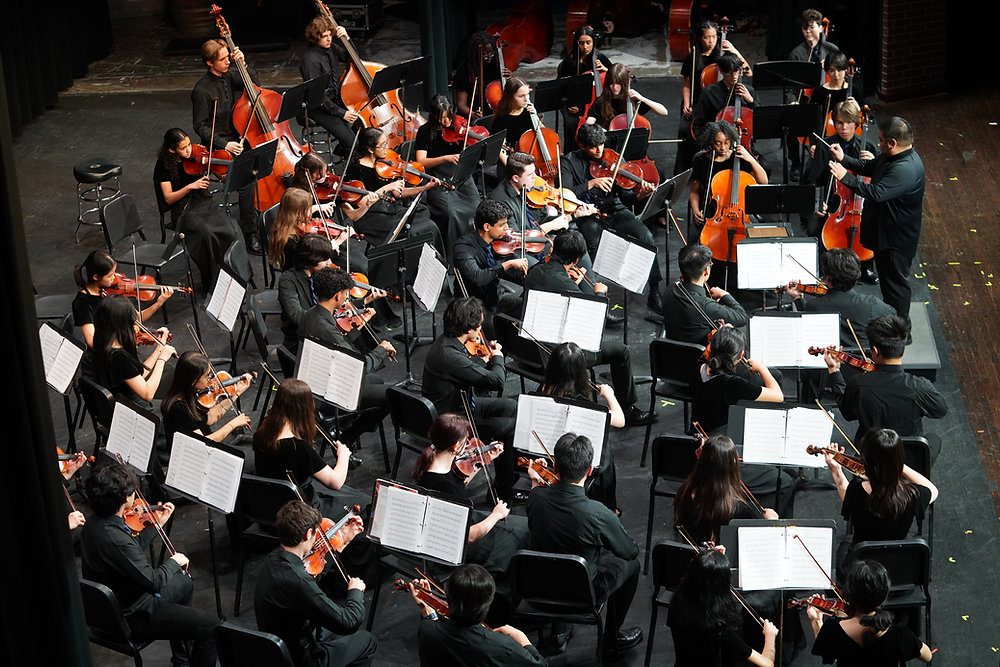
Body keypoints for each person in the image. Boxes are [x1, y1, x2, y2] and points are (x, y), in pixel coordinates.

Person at [81, 461, 219, 667]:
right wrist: (174, 561)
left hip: (113, 605)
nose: (135, 494)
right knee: (212, 628)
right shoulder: (113, 538)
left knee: (184, 583)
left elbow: (130, 549)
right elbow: (153, 582)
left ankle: (181, 661)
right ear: (124, 498)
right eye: (132, 491)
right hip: (134, 615)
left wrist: (158, 523)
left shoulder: (96, 523)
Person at [525, 432, 642, 655]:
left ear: (554, 466)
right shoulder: (598, 513)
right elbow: (629, 551)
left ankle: (559, 632)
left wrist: (534, 480)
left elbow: (537, 495)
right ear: (589, 471)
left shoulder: (535, 498)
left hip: (539, 587)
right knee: (632, 565)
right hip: (581, 593)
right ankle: (612, 639)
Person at [522, 230, 654, 426]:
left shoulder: (534, 272)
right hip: (562, 356)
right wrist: (599, 294)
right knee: (620, 351)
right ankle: (626, 409)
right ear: (576, 259)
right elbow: (593, 321)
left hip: (531, 348)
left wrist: (574, 284)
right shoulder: (567, 284)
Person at [254, 499, 377, 667]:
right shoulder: (297, 582)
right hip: (302, 661)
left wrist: (343, 542)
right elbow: (348, 622)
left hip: (274, 651)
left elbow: (313, 571)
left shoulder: (273, 560)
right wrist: (355, 593)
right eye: (317, 533)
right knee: (367, 641)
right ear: (307, 534)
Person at [690, 326, 796, 516]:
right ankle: (774, 525)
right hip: (723, 455)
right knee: (785, 482)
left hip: (704, 439)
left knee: (784, 472)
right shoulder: (732, 384)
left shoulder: (698, 369)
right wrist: (762, 368)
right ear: (741, 355)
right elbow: (777, 395)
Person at [421, 297, 517, 502]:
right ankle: (502, 490)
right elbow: (497, 381)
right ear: (468, 328)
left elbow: (468, 367)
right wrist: (497, 356)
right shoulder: (449, 356)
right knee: (508, 428)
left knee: (511, 406)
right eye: (479, 326)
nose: (481, 329)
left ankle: (509, 467)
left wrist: (482, 360)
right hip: (452, 421)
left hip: (463, 404)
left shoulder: (451, 342)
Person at [828, 116, 925, 321]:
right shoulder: (892, 157)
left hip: (895, 240)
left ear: (893, 143)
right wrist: (844, 158)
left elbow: (876, 192)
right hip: (886, 232)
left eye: (881, 140)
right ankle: (892, 320)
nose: (878, 143)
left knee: (895, 287)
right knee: (889, 285)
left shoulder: (905, 169)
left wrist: (845, 177)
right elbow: (870, 168)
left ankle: (900, 328)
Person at [560, 122, 663, 312]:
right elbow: (565, 193)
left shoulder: (612, 158)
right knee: (594, 243)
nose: (599, 150)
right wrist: (591, 184)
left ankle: (654, 290)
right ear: (582, 145)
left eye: (601, 144)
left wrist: (640, 195)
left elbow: (625, 196)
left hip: (614, 209)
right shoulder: (569, 162)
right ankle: (596, 299)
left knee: (646, 237)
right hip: (588, 213)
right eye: (593, 147)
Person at [411, 414, 529, 577]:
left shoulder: (434, 463)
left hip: (462, 518)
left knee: (521, 527)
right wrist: (496, 515)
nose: (469, 445)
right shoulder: (442, 485)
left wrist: (484, 460)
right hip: (456, 545)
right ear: (455, 446)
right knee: (516, 538)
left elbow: (459, 483)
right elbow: (468, 536)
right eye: (466, 441)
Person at [823, 314, 947, 456]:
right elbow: (941, 410)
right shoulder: (920, 387)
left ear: (875, 351)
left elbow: (848, 413)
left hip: (871, 454)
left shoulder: (858, 384)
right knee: (933, 439)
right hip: (906, 457)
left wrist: (834, 370)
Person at [300, 266, 393, 436]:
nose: (346, 297)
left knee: (377, 380)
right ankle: (348, 437)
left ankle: (349, 422)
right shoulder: (327, 329)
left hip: (316, 380)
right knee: (389, 395)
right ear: (337, 296)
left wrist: (359, 325)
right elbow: (359, 367)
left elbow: (339, 344)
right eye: (345, 293)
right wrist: (381, 351)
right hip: (328, 393)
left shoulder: (309, 315)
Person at [154, 127, 250, 291]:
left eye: (189, 144)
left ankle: (235, 273)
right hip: (182, 208)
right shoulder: (163, 166)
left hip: (203, 201)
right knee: (207, 233)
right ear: (172, 150)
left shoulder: (198, 155)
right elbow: (169, 197)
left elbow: (224, 177)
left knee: (230, 227)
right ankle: (212, 281)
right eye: (183, 148)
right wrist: (191, 186)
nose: (189, 150)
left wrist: (237, 170)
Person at [253, 378, 368, 513]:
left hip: (272, 509)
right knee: (365, 504)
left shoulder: (262, 432)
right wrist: (343, 456)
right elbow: (335, 482)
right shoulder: (299, 447)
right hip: (303, 513)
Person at [190, 38, 261, 253]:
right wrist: (225, 143)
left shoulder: (229, 75)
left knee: (262, 162)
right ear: (209, 63)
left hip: (240, 137)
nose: (227, 62)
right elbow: (200, 126)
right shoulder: (201, 91)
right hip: (219, 146)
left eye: (228, 57)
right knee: (248, 179)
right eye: (223, 59)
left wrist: (243, 64)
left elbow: (255, 86)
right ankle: (250, 233)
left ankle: (262, 213)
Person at [537, 341, 623, 511]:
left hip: (546, 449)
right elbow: (620, 420)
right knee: (606, 455)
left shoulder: (544, 388)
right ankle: (607, 506)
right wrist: (610, 395)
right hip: (571, 457)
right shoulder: (582, 403)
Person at [410, 564, 546, 666]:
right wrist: (522, 639)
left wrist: (426, 611)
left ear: (448, 597)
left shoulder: (427, 629)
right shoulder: (503, 647)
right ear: (488, 602)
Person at [821, 428, 937, 548]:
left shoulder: (856, 489)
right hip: (897, 558)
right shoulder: (913, 495)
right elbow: (933, 490)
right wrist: (897, 464)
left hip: (861, 561)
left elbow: (847, 499)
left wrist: (836, 470)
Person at [488, 150, 599, 272]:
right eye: (530, 174)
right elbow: (517, 238)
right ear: (515, 178)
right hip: (516, 252)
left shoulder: (525, 189)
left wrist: (573, 215)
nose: (535, 178)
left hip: (535, 241)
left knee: (577, 250)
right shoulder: (501, 202)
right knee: (551, 272)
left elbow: (537, 221)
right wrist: (551, 226)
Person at [667, 547, 778, 666]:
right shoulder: (720, 629)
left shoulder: (677, 600)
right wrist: (770, 636)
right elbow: (767, 664)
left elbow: (699, 573)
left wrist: (713, 559)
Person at [808, 559, 933, 664]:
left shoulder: (832, 630)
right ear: (884, 596)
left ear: (848, 594)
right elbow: (927, 656)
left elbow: (830, 657)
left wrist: (816, 620)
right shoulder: (900, 635)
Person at [343, 127, 444, 253]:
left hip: (391, 209)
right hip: (370, 217)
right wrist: (386, 188)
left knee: (430, 226)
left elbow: (398, 193)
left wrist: (423, 188)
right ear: (370, 149)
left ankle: (436, 266)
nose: (387, 148)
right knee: (412, 233)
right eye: (383, 145)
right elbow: (361, 204)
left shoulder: (385, 163)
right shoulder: (355, 170)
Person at [800, 100, 878, 252]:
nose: (844, 128)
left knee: (875, 231)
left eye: (848, 122)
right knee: (813, 228)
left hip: (861, 205)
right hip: (834, 205)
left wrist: (875, 165)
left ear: (856, 123)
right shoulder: (825, 145)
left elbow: (882, 181)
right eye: (840, 123)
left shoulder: (868, 146)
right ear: (834, 124)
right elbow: (814, 179)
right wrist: (819, 203)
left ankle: (866, 266)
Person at [675, 20, 752, 173]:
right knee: (685, 129)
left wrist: (735, 50)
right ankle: (688, 169)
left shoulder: (723, 55)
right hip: (697, 101)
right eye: (707, 37)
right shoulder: (693, 56)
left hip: (719, 102)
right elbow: (686, 84)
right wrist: (686, 104)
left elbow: (748, 72)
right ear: (700, 37)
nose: (711, 41)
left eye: (714, 37)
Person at [673, 435, 778, 544]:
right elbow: (760, 541)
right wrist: (771, 522)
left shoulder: (685, 490)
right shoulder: (739, 509)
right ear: (732, 464)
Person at [413, 94, 481, 255]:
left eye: (449, 117)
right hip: (437, 177)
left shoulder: (458, 124)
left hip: (461, 175)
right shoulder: (425, 131)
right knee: (451, 213)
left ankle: (475, 248)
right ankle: (453, 252)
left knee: (476, 206)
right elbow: (421, 161)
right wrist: (445, 158)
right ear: (434, 115)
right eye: (442, 118)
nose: (447, 122)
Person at [786, 248, 894, 348]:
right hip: (863, 361)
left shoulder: (813, 306)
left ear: (827, 279)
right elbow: (893, 314)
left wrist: (798, 297)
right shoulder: (872, 303)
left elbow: (806, 317)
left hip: (828, 361)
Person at [452, 199, 530, 337]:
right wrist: (507, 265)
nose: (507, 229)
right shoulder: (463, 248)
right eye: (502, 225)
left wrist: (533, 273)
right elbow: (478, 278)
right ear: (487, 227)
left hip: (495, 295)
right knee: (503, 334)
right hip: (474, 305)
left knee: (528, 310)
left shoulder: (498, 244)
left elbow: (511, 273)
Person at [73, 250, 173, 349]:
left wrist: (159, 302)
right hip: (107, 353)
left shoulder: (109, 291)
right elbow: (92, 342)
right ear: (96, 277)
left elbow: (137, 318)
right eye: (110, 276)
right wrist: (126, 337)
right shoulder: (83, 303)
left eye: (114, 273)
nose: (114, 278)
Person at [786, 8, 840, 182]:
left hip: (829, 99)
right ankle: (795, 161)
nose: (807, 32)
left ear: (821, 28)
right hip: (805, 99)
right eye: (804, 28)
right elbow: (790, 86)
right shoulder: (796, 54)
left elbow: (841, 77)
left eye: (811, 27)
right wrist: (793, 101)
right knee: (791, 121)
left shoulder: (831, 50)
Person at [160, 350, 252, 450]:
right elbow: (203, 443)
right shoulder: (179, 408)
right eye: (207, 375)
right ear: (194, 381)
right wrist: (233, 424)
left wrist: (237, 392)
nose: (210, 379)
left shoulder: (191, 393)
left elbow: (208, 419)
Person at [92, 295, 176, 404]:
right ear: (123, 324)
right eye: (133, 322)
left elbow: (137, 374)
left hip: (120, 397)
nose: (136, 326)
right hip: (132, 409)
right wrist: (162, 360)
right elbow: (147, 394)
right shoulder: (119, 358)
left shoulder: (101, 342)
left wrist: (159, 349)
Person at [662, 242, 749, 345]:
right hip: (699, 357)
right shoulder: (706, 306)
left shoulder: (669, 289)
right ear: (706, 271)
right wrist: (725, 294)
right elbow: (742, 317)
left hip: (670, 352)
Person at [299, 17, 358, 155]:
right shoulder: (310, 61)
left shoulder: (331, 48)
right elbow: (317, 95)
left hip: (334, 100)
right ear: (315, 37)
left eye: (330, 35)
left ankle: (342, 150)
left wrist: (347, 39)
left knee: (362, 127)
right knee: (352, 142)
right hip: (319, 107)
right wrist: (341, 113)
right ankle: (350, 165)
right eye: (324, 36)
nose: (329, 39)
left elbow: (351, 57)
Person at [278, 233, 335, 355]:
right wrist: (326, 325)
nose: (329, 262)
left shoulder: (320, 274)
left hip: (320, 330)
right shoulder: (287, 280)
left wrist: (363, 301)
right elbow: (297, 315)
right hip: (300, 339)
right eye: (325, 259)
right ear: (313, 259)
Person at [557, 25, 612, 150]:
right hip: (573, 103)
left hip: (594, 102)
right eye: (581, 43)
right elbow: (560, 86)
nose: (585, 47)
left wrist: (606, 70)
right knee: (572, 122)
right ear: (577, 43)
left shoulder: (600, 58)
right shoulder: (569, 62)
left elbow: (616, 77)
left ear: (593, 42)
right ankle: (571, 153)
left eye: (588, 43)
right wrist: (569, 103)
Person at [690, 53, 755, 143]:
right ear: (721, 71)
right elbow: (698, 123)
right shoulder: (709, 92)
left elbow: (759, 118)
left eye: (736, 71)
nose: (734, 75)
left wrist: (751, 100)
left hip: (744, 142)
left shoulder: (749, 91)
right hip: (717, 142)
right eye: (729, 72)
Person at [584, 62, 668, 130]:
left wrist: (642, 98)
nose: (614, 87)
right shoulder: (601, 101)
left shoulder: (633, 100)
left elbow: (664, 111)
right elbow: (590, 122)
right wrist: (597, 130)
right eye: (611, 83)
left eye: (618, 83)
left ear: (624, 83)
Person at [451, 31, 507, 121]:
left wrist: (509, 79)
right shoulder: (464, 72)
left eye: (491, 53)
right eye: (484, 54)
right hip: (474, 119)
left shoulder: (495, 66)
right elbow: (461, 105)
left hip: (494, 115)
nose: (489, 57)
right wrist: (472, 114)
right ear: (475, 53)